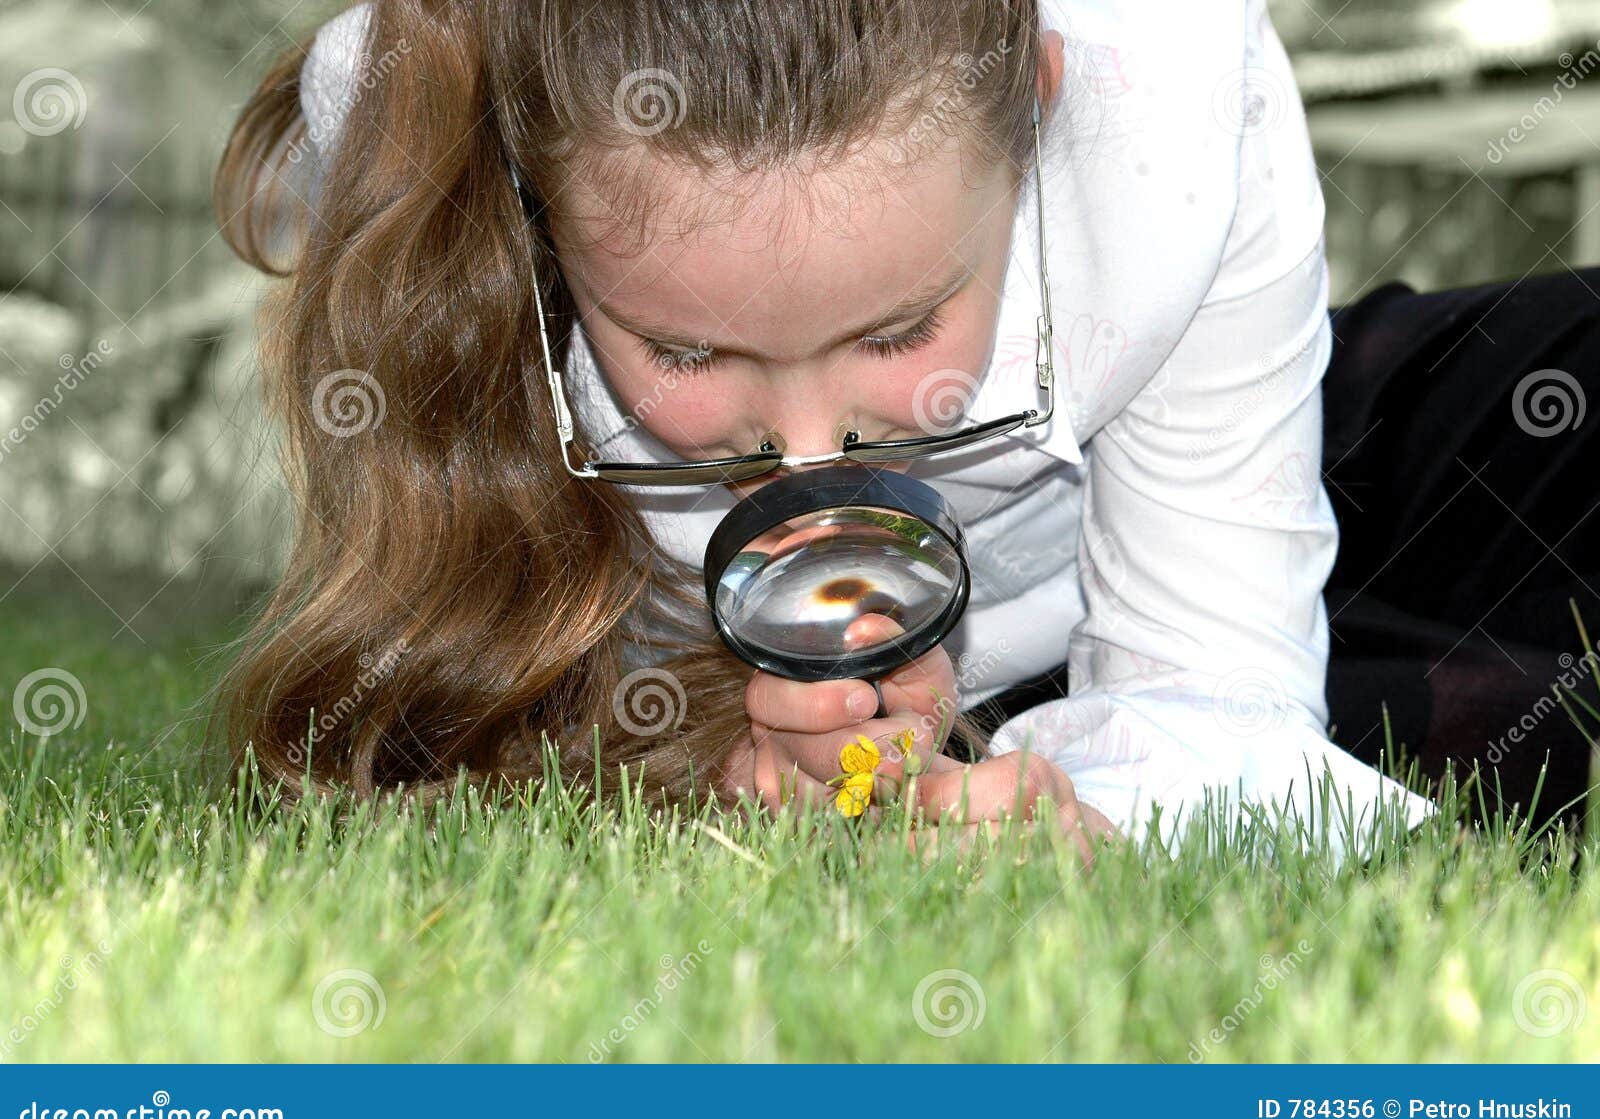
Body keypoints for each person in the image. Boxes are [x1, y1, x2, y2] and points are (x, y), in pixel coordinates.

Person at [217, 0, 1537, 862]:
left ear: (1037, 108)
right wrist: (735, 754)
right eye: (688, 352)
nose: (806, 457)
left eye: (898, 329)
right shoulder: (424, 144)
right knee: (1489, 733)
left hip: (1254, 461)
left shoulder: (1172, 90)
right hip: (1019, 690)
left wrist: (1122, 805)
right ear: (532, 205)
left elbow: (1220, 679)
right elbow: (530, 718)